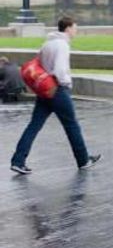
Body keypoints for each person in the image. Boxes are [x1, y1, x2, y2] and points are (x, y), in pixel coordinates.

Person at [10, 16, 101, 174]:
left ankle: (18, 160)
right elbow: (59, 70)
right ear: (67, 28)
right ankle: (83, 160)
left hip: (44, 89)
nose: (75, 31)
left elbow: (41, 65)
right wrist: (66, 83)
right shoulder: (62, 45)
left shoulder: (48, 43)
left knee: (34, 126)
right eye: (74, 28)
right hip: (57, 89)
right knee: (71, 125)